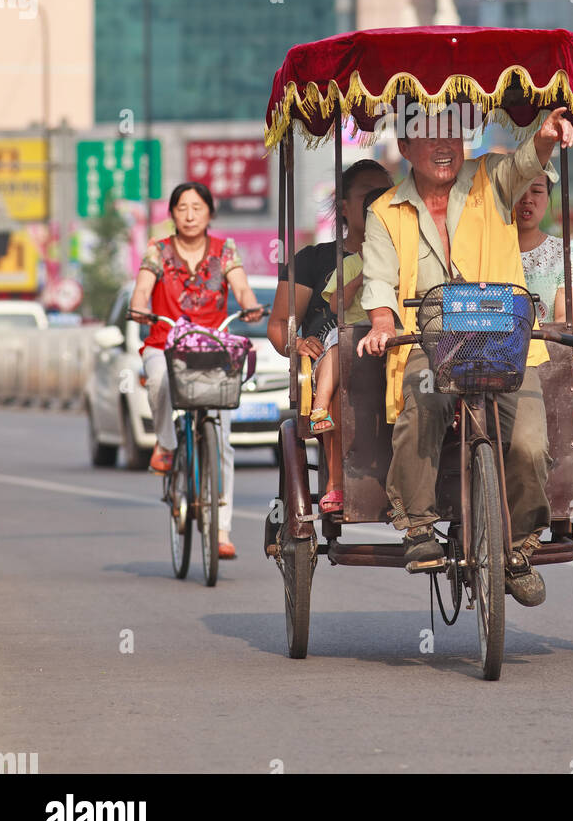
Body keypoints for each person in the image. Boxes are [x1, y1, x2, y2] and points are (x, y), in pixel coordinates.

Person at [357, 102, 573, 608]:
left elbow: (528, 161)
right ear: (405, 148)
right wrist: (383, 323)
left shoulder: (490, 178)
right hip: (431, 345)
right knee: (422, 406)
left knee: (525, 442)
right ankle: (416, 525)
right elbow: (378, 283)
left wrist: (544, 136)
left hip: (505, 340)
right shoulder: (384, 211)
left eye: (452, 136)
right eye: (428, 137)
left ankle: (520, 547)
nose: (443, 147)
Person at [128, 182, 262, 560]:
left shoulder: (225, 249)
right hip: (165, 344)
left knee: (223, 441)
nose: (189, 214)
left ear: (209, 213)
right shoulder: (158, 250)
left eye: (197, 207)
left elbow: (242, 288)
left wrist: (250, 306)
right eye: (182, 208)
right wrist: (139, 307)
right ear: (172, 214)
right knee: (156, 378)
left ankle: (221, 529)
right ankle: (167, 444)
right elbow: (142, 290)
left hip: (211, 350)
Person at [266, 160, 393, 506]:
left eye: (387, 195)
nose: (379, 203)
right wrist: (295, 343)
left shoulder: (410, 253)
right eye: (370, 196)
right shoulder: (314, 260)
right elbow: (278, 324)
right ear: (343, 207)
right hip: (338, 359)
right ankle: (337, 481)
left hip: (396, 350)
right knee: (344, 370)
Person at [309, 184, 390, 513]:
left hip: (392, 337)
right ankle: (320, 405)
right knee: (336, 346)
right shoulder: (352, 263)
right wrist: (365, 273)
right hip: (351, 335)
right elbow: (334, 304)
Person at [516, 169, 573, 400]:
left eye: (536, 191)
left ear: (548, 198)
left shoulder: (565, 255)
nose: (527, 199)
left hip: (554, 359)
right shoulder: (487, 252)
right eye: (519, 191)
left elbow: (564, 324)